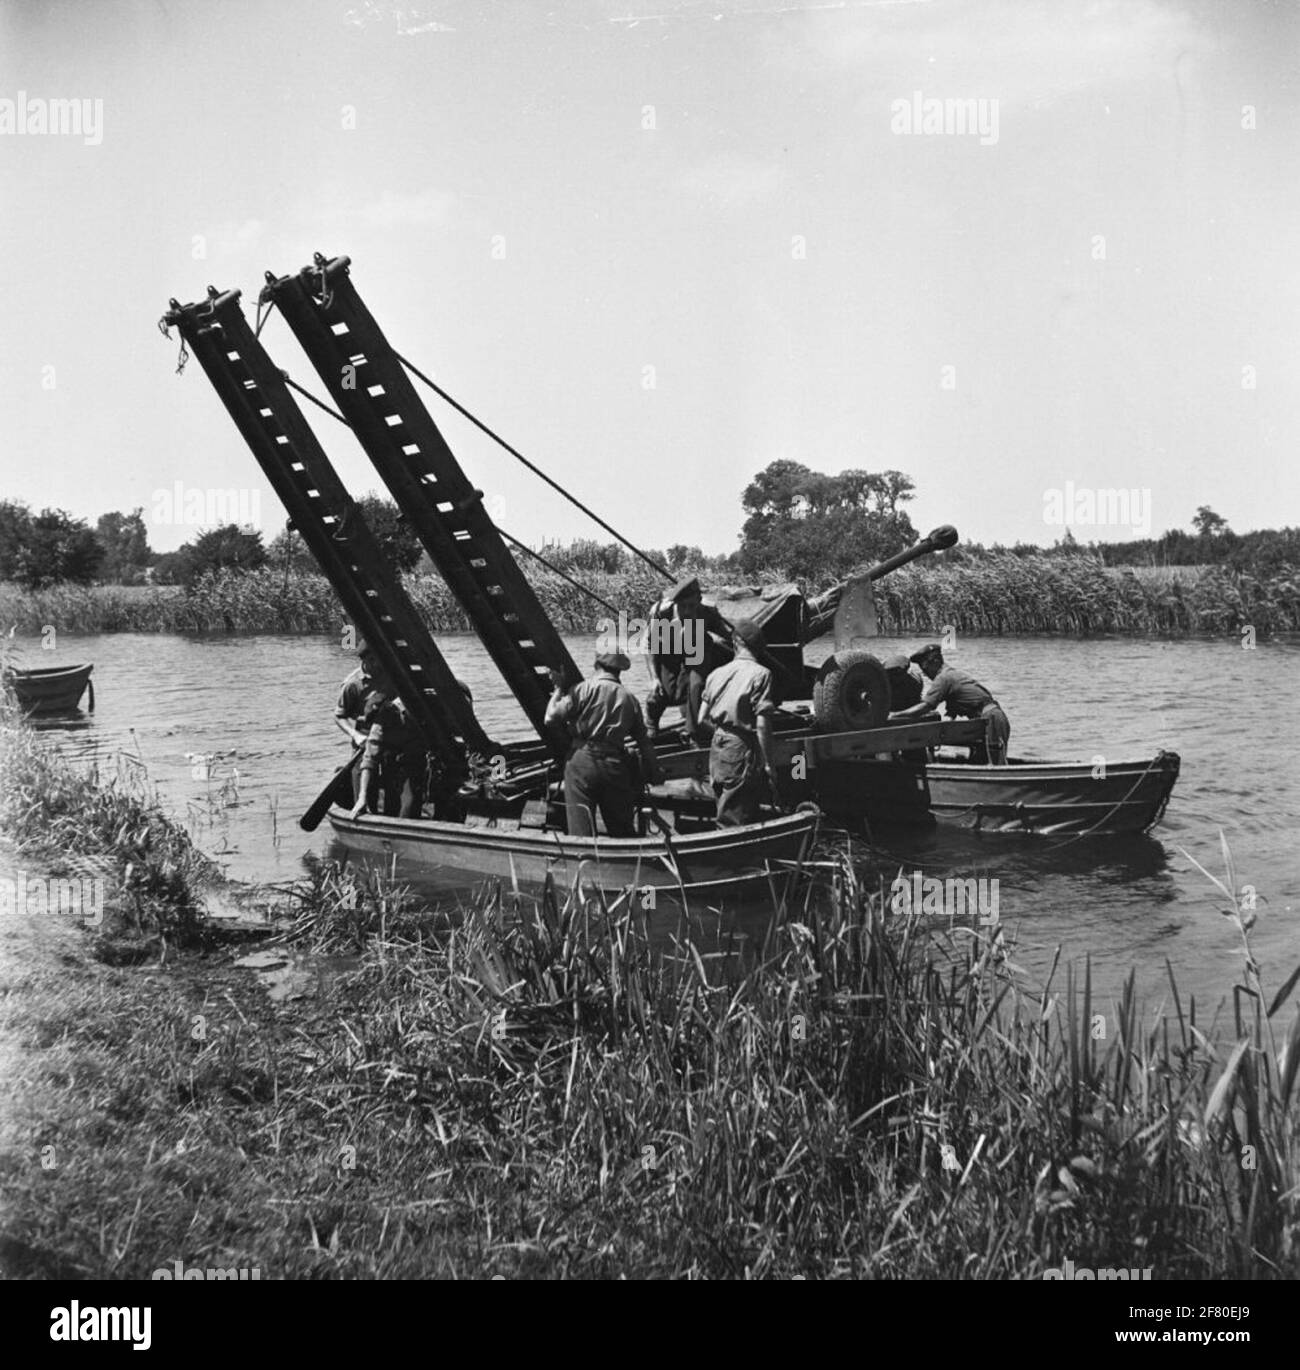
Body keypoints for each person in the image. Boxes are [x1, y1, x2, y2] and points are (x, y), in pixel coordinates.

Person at [545, 652, 661, 837]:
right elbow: (644, 742)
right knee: (622, 830)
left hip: (581, 762)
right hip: (614, 765)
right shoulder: (629, 698)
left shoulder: (583, 689)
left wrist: (558, 689)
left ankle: (585, 861)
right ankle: (627, 861)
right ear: (620, 671)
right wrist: (654, 773)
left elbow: (550, 717)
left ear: (596, 665)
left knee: (580, 832)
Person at [698, 618, 780, 826]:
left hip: (717, 744)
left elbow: (701, 719)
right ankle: (731, 855)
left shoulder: (716, 674)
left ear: (735, 643)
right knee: (735, 813)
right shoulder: (762, 674)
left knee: (725, 801)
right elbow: (762, 725)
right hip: (740, 746)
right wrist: (769, 764)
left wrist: (724, 734)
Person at [644, 576, 734, 745]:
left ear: (699, 601)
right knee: (663, 692)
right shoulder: (661, 612)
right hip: (669, 650)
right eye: (682, 606)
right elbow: (650, 646)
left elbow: (728, 636)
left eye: (691, 606)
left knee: (695, 686)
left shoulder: (708, 611)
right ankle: (651, 725)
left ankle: (694, 730)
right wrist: (654, 678)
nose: (686, 611)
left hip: (698, 648)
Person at [890, 644, 1010, 764]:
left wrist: (895, 715)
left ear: (936, 661)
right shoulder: (952, 675)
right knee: (984, 759)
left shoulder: (943, 678)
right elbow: (950, 715)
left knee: (995, 763)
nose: (925, 674)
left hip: (991, 718)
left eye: (926, 668)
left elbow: (926, 706)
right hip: (989, 717)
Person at [348, 688, 429, 819]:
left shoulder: (414, 710)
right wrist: (362, 797)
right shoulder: (381, 721)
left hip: (416, 760)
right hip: (393, 764)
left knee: (409, 806)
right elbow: (369, 759)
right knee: (393, 805)